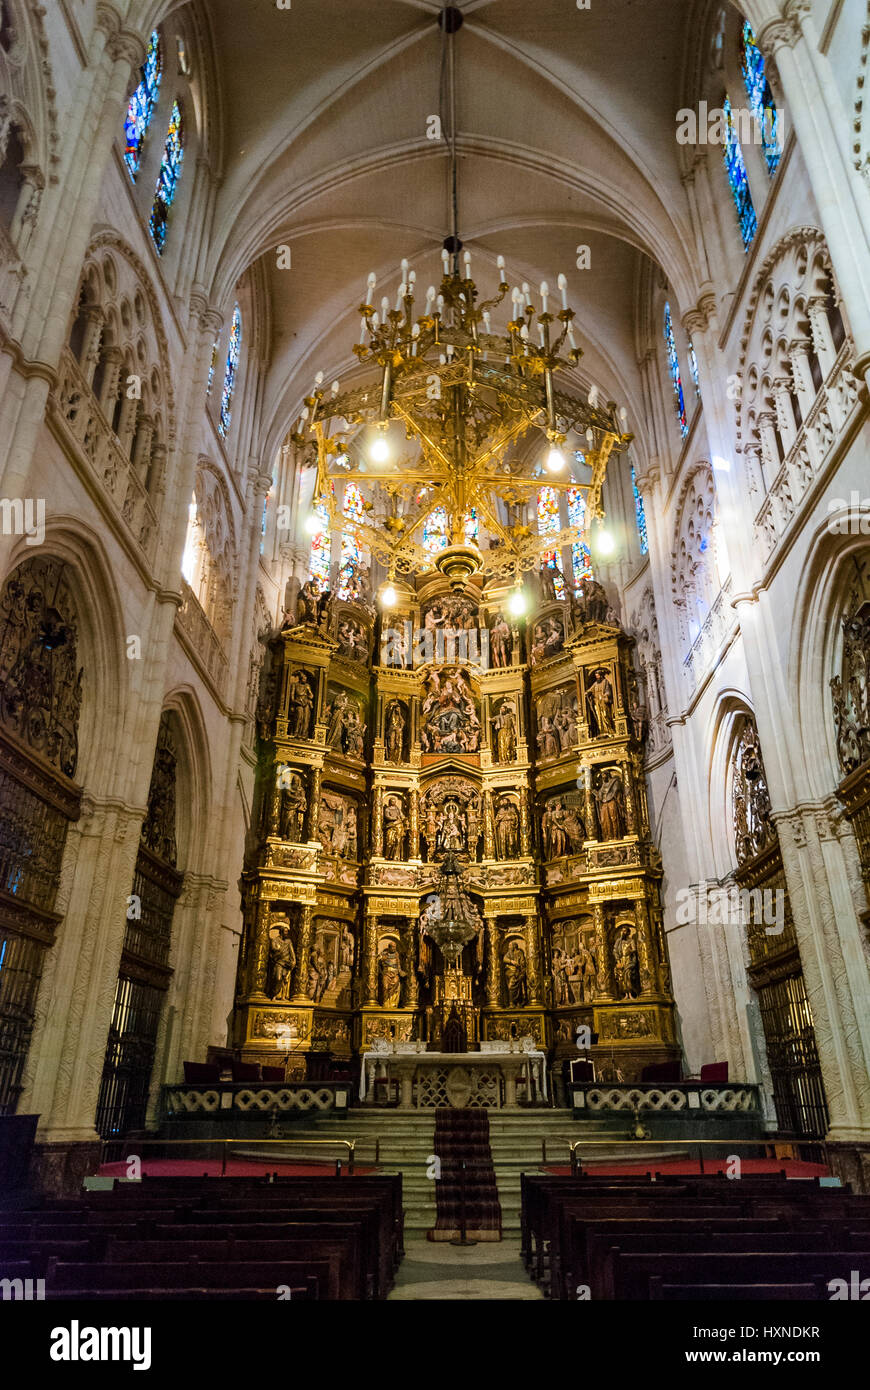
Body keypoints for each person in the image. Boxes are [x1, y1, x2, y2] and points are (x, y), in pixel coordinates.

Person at [595, 769, 625, 840]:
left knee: (613, 819)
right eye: (602, 777)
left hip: (612, 802)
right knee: (604, 820)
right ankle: (608, 837)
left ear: (608, 775)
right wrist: (598, 797)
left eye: (604, 776)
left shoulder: (614, 782)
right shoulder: (603, 785)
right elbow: (599, 794)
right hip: (604, 804)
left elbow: (616, 792)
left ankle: (616, 836)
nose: (603, 778)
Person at [587, 667, 616, 737]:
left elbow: (608, 690)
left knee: (605, 715)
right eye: (596, 676)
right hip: (597, 702)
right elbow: (590, 690)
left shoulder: (605, 681)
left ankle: (608, 729)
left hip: (603, 701)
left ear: (601, 675)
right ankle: (601, 730)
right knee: (599, 716)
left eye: (598, 675)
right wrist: (587, 692)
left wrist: (605, 695)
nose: (597, 677)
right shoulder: (595, 683)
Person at [384, 795, 406, 861]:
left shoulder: (397, 809)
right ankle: (388, 855)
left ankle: (396, 856)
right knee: (390, 841)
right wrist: (394, 818)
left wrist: (403, 818)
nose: (393, 802)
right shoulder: (387, 809)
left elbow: (402, 816)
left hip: (398, 826)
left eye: (394, 801)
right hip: (391, 825)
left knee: (398, 842)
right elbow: (387, 816)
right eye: (392, 801)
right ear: (390, 802)